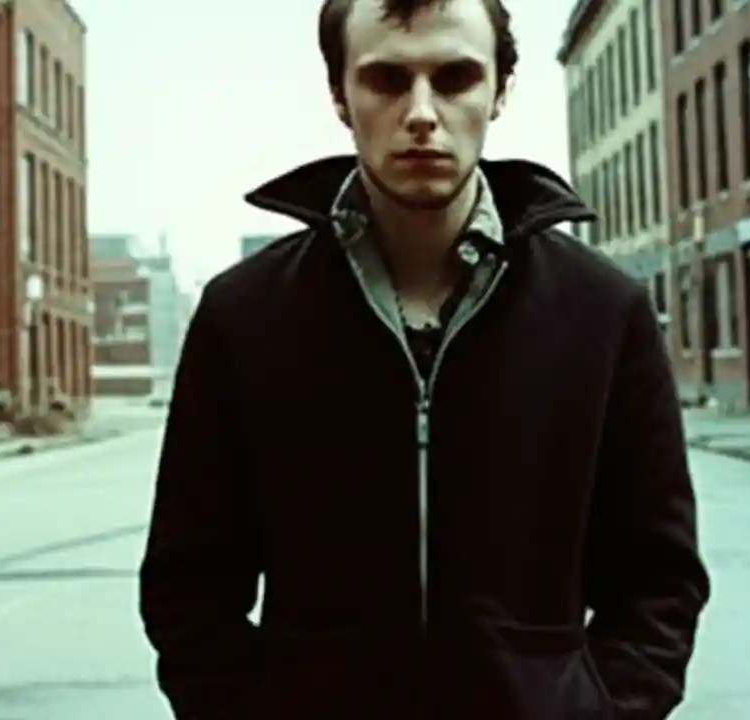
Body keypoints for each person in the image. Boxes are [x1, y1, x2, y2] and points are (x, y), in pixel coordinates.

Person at [139, 0, 711, 717]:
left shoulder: (602, 313)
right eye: (385, 79)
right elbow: (188, 586)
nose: (421, 112)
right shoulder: (243, 316)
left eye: (455, 77)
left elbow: (659, 581)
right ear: (339, 94)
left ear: (500, 89)